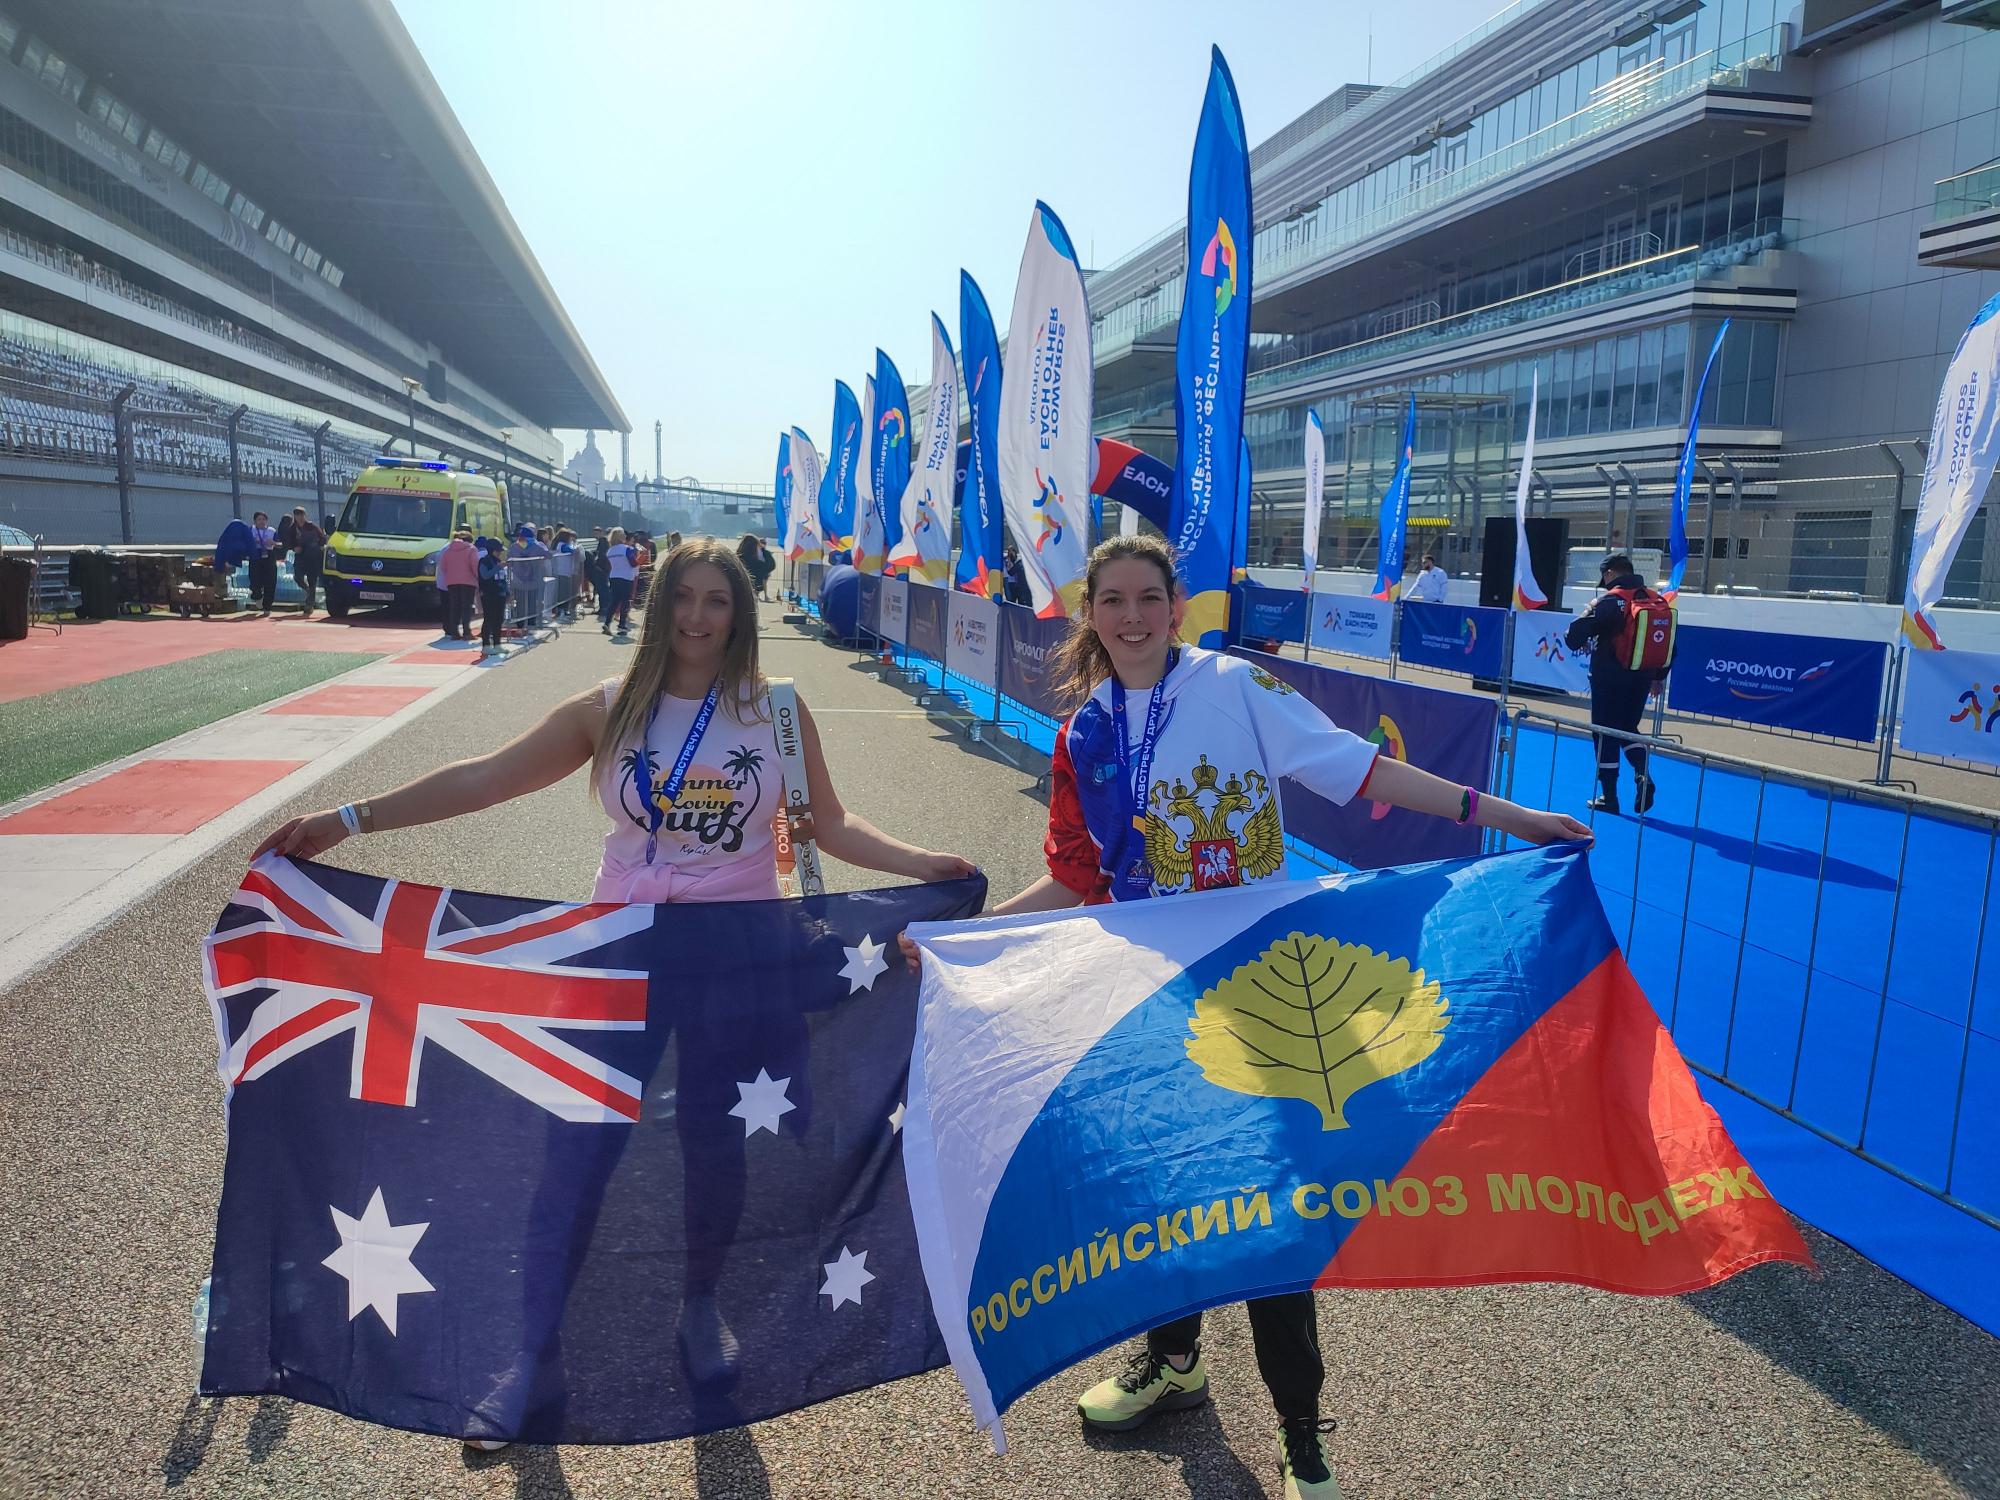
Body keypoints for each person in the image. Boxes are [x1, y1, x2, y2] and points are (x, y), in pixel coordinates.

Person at [901, 534, 1587, 1500]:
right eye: (1113, 601)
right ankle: (1177, 1363)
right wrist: (956, 945)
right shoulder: (1084, 733)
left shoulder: (1235, 687)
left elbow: (1363, 773)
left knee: (1272, 1215)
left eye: (1149, 597)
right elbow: (1074, 873)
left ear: (1176, 606)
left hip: (1251, 988)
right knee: (1167, 1190)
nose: (1131, 617)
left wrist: (1513, 819)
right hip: (1141, 997)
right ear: (1088, 613)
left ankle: (1302, 1432)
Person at [253, 537, 974, 1452]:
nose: (700, 618)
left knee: (716, 1147)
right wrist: (345, 819)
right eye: (686, 598)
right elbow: (484, 778)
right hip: (620, 950)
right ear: (661, 602)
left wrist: (923, 863)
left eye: (719, 601)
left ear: (740, 612)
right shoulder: (611, 709)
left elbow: (826, 822)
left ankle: (701, 1306)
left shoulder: (776, 714)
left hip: (734, 955)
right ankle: (533, 1348)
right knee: (578, 1146)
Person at [1564, 553, 1670, 815]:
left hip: (1609, 677)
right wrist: (1658, 677)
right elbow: (1669, 645)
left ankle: (1609, 797)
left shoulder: (1610, 601)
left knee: (1605, 732)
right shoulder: (1656, 599)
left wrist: (1587, 635)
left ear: (1610, 573)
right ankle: (1643, 774)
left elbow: (1573, 635)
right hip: (1643, 676)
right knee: (1627, 727)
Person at [437, 528, 479, 641]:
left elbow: (443, 567)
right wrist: (478, 578)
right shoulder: (471, 549)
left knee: (454, 607)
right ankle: (467, 632)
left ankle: (454, 632)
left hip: (451, 582)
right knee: (466, 607)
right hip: (468, 582)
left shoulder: (448, 550)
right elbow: (474, 566)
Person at [600, 526, 639, 636]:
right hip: (626, 577)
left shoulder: (610, 551)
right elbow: (633, 563)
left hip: (614, 576)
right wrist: (639, 559)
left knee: (614, 601)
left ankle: (607, 623)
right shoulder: (627, 549)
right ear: (621, 536)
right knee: (625, 601)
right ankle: (622, 625)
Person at [477, 536, 510, 655]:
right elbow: (485, 576)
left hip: (500, 594)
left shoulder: (498, 562)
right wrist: (498, 568)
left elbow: (503, 579)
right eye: (498, 550)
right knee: (489, 619)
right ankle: (486, 645)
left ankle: (497, 644)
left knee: (499, 620)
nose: (500, 553)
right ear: (492, 550)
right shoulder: (484, 561)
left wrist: (508, 593)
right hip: (488, 595)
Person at [290, 514, 325, 618]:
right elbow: (288, 541)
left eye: (301, 515)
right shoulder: (292, 528)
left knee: (312, 581)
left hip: (313, 557)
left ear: (305, 516)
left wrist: (317, 546)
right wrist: (294, 547)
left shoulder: (312, 527)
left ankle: (309, 606)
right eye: (297, 515)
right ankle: (307, 590)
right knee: (298, 577)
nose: (299, 518)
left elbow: (323, 538)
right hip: (300, 557)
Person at [247, 510, 279, 616]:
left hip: (269, 555)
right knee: (254, 578)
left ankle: (267, 606)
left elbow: (281, 544)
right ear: (255, 521)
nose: (261, 522)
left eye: (263, 519)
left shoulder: (272, 531)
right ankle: (257, 596)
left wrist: (274, 543)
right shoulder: (251, 530)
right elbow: (244, 541)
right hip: (256, 555)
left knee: (270, 581)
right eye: (259, 519)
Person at [737, 532, 775, 600]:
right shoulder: (756, 563)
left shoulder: (737, 558)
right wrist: (764, 551)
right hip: (753, 589)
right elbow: (771, 565)